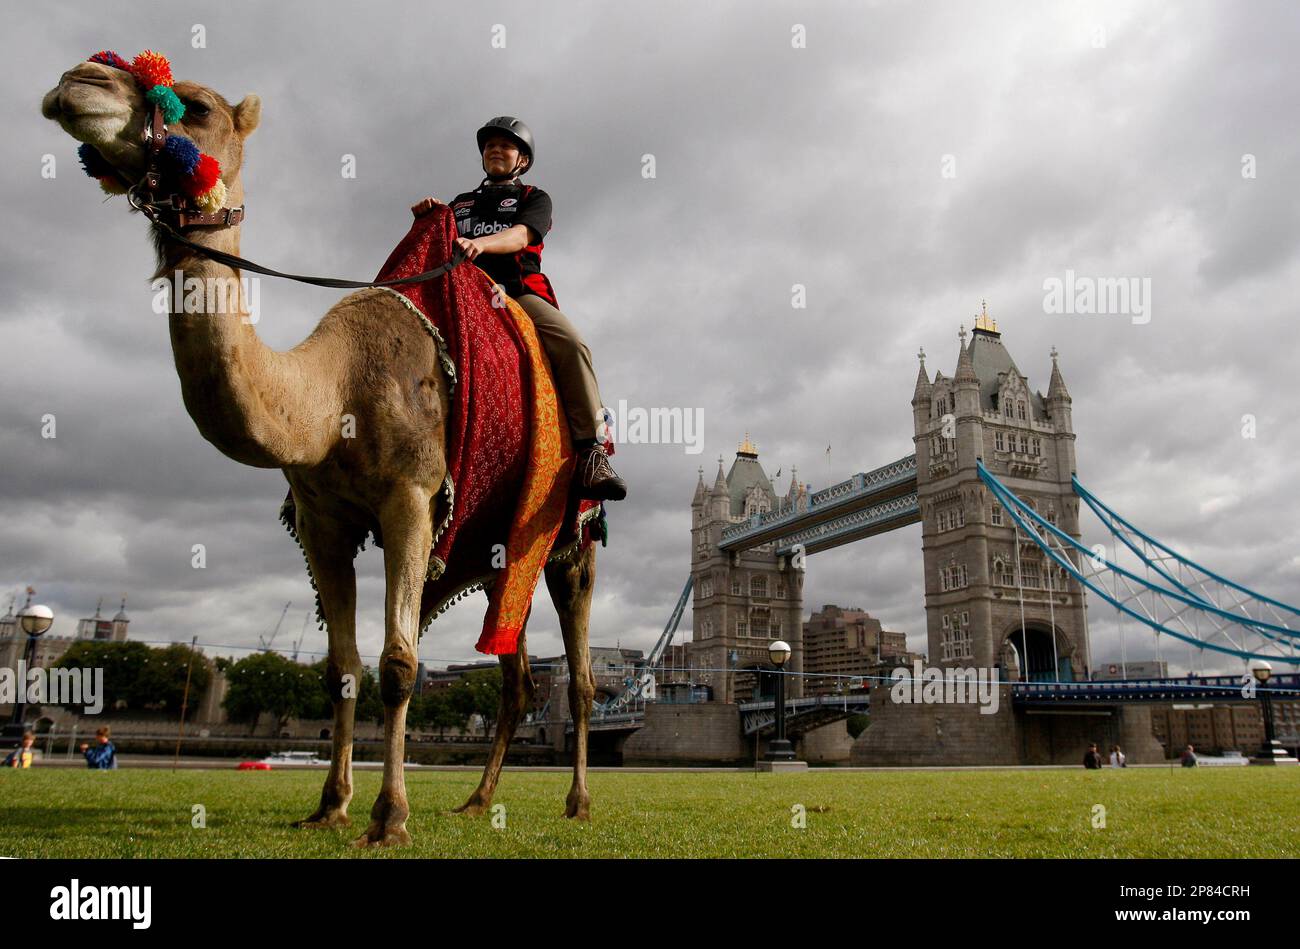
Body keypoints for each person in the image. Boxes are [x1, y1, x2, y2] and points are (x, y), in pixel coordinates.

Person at [411, 116, 627, 502]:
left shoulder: (535, 198)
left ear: (522, 160)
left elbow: (521, 235)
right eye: (489, 145)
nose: (495, 150)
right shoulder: (460, 204)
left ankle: (592, 452)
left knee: (572, 344)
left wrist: (482, 244)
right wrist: (428, 217)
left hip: (515, 292)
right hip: (461, 295)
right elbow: (439, 242)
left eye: (505, 146)